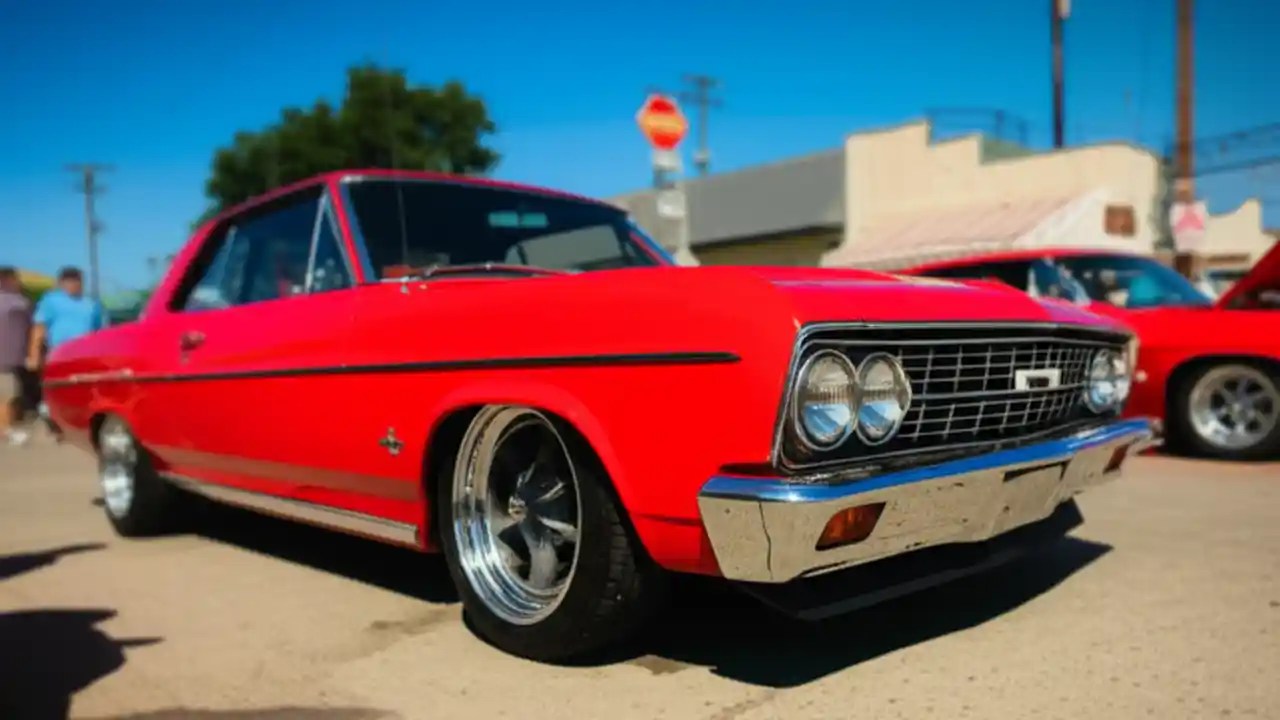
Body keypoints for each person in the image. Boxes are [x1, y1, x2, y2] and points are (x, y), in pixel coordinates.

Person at [27, 267, 106, 441]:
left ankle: (80, 426)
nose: (74, 285)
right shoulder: (50, 301)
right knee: (57, 391)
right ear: (62, 283)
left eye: (77, 281)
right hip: (59, 354)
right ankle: (56, 424)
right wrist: (34, 354)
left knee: (84, 392)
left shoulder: (92, 304)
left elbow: (101, 331)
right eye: (70, 282)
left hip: (85, 356)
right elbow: (39, 328)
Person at [0, 266, 33, 445]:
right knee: (9, 395)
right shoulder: (19, 302)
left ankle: (8, 427)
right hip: (8, 358)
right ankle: (7, 430)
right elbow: (31, 323)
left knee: (8, 394)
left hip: (10, 358)